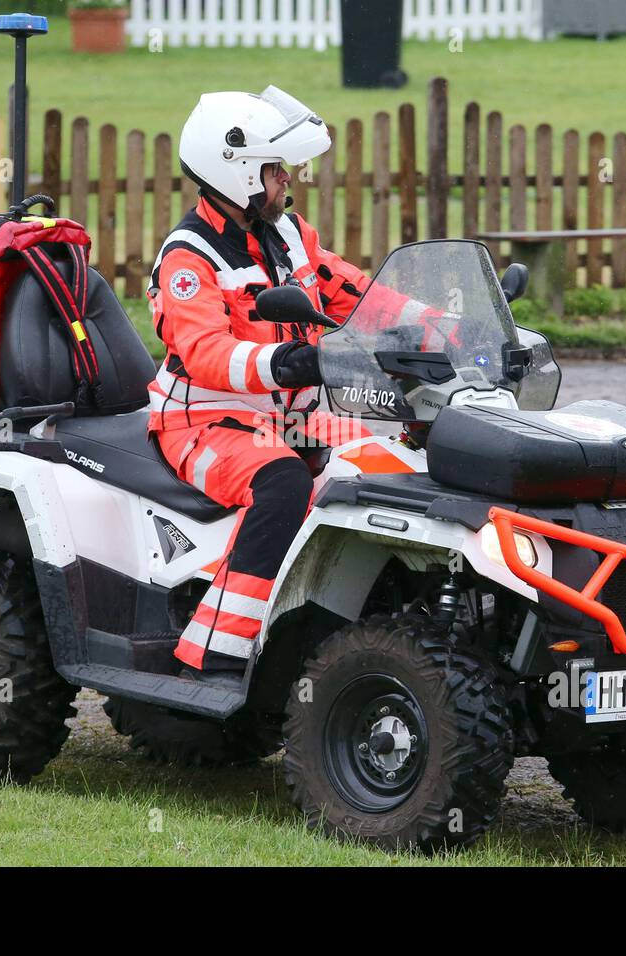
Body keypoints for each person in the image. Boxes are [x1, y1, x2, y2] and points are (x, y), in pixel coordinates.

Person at [147, 87, 382, 681]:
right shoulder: (188, 260)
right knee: (281, 486)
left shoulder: (291, 235)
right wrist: (287, 363)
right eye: (277, 170)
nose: (287, 182)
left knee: (385, 459)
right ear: (241, 172)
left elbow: (354, 293)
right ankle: (215, 656)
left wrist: (442, 325)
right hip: (201, 422)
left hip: (282, 420)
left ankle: (352, 635)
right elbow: (204, 353)